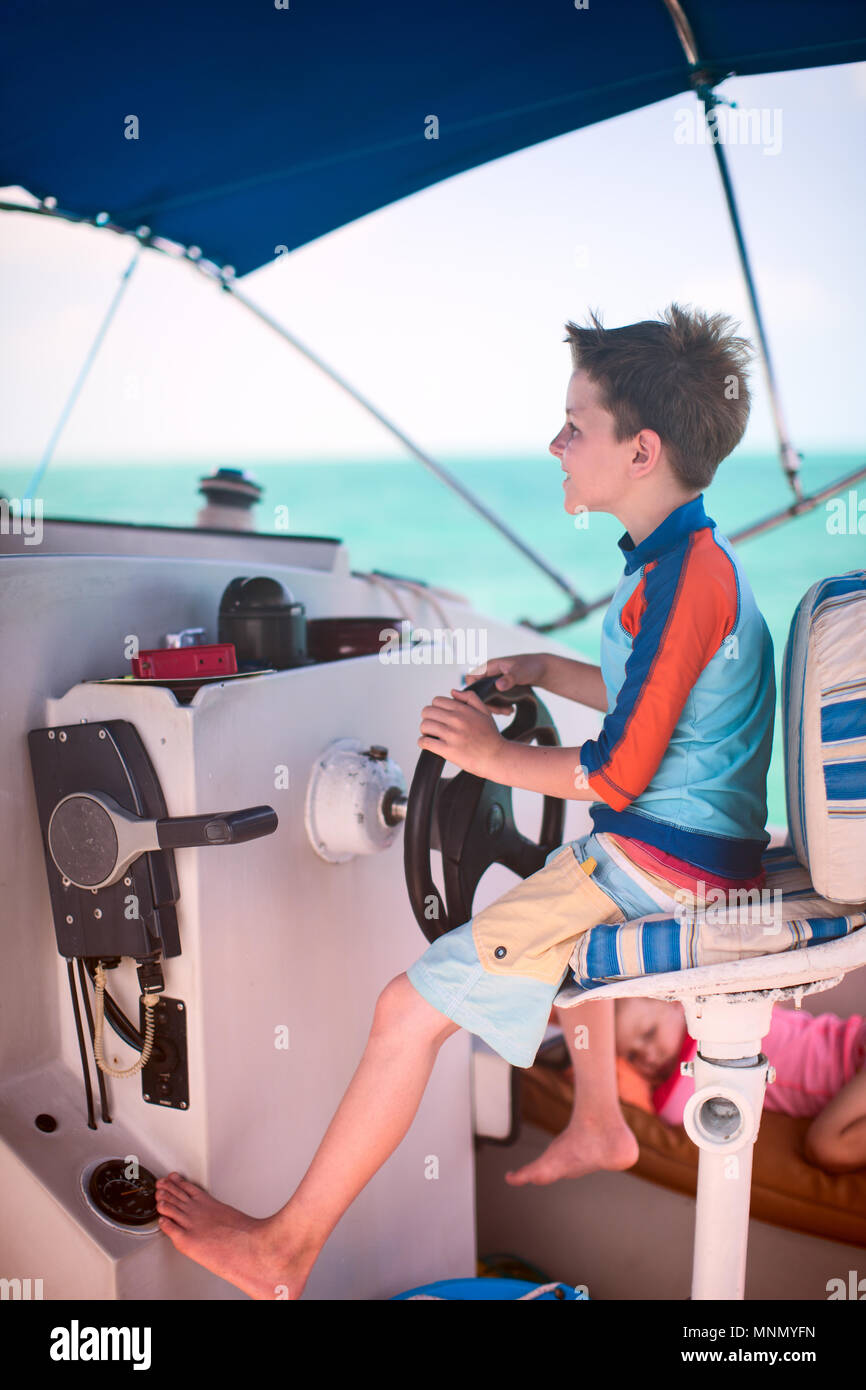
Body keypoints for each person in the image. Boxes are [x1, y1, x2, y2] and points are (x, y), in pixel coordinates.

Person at [155, 302, 776, 1297]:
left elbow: (613, 775)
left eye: (574, 424)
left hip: (662, 864)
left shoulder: (679, 583)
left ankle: (284, 1251)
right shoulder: (681, 564)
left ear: (639, 449)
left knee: (405, 1010)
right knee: (550, 877)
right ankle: (599, 1122)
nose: (554, 442)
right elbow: (655, 705)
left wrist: (484, 754)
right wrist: (543, 666)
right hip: (685, 849)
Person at [614, 997, 866, 1172]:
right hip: (855, 1076)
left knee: (824, 1146)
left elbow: (671, 1110)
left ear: (677, 1004)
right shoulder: (695, 1062)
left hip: (858, 1051)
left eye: (649, 1033)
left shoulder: (711, 1033)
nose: (646, 1055)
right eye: (633, 1057)